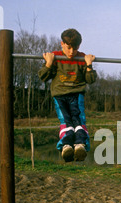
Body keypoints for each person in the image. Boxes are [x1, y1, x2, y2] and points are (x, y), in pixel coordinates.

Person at [38, 28, 97, 162]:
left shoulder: (81, 58)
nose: (71, 52)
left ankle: (80, 145)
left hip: (76, 94)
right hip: (60, 95)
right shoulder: (56, 57)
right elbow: (43, 76)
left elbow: (91, 80)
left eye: (75, 49)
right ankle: (66, 146)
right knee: (66, 121)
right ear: (62, 44)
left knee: (79, 119)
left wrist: (88, 65)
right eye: (69, 48)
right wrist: (48, 63)